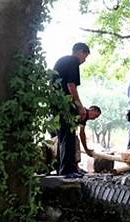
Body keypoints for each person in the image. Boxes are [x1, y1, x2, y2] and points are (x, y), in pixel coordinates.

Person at [53, 42, 90, 178]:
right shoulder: (73, 61)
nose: (84, 61)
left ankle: (62, 168)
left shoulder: (62, 61)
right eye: (84, 57)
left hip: (57, 103)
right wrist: (79, 105)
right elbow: (71, 85)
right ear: (80, 52)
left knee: (63, 136)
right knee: (68, 136)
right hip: (65, 104)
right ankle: (68, 170)